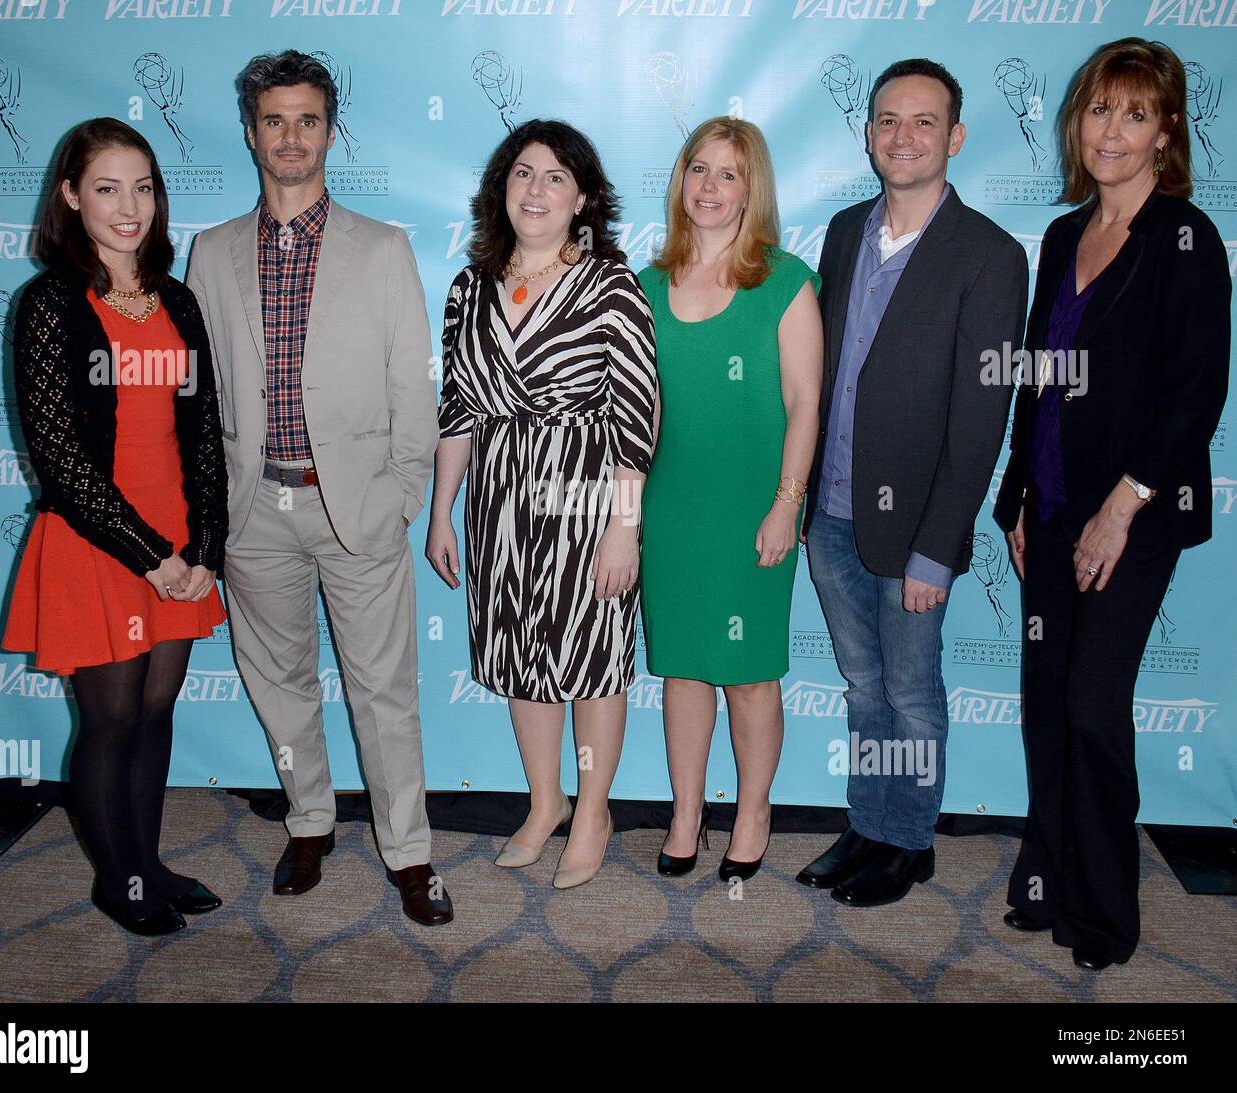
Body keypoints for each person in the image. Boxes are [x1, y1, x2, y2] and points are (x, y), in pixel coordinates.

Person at [186, 51, 451, 926]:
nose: (291, 136)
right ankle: (309, 823)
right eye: (274, 120)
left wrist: (403, 495)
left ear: (329, 131)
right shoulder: (211, 249)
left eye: (307, 120)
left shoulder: (382, 248)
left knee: (385, 691)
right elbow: (196, 395)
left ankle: (409, 850)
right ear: (251, 132)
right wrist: (209, 511)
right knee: (278, 682)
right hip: (252, 508)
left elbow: (415, 388)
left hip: (358, 507)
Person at [994, 38, 1230, 971]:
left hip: (1134, 513)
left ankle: (1105, 912)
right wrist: (1017, 492)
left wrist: (1121, 506)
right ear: (1076, 123)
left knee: (1094, 705)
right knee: (1047, 701)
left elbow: (1194, 393)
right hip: (1049, 506)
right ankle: (1046, 876)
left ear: (1167, 133)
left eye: (1136, 114)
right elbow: (1036, 379)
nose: (1113, 131)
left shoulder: (1186, 238)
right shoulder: (1062, 235)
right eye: (1100, 109)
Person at [796, 60, 1029, 906]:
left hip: (915, 531)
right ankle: (870, 821)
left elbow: (980, 422)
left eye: (924, 122)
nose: (903, 136)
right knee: (864, 689)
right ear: (868, 134)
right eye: (888, 120)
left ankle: (908, 839)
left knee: (912, 691)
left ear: (955, 138)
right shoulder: (844, 230)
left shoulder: (991, 256)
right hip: (831, 513)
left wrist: (940, 547)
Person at [1, 118, 228, 936]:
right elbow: (60, 459)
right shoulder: (48, 304)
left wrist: (201, 550)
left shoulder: (177, 299)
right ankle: (120, 881)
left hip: (177, 543)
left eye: (142, 186)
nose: (129, 206)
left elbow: (204, 433)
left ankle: (149, 860)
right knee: (112, 717)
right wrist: (152, 558)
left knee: (158, 710)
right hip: (98, 540)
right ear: (70, 196)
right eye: (106, 187)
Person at [426, 120, 658, 890]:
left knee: (590, 661)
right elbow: (457, 409)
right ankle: (546, 800)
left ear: (584, 197)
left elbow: (636, 415)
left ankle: (593, 807)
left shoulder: (612, 285)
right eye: (523, 173)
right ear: (503, 188)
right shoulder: (469, 285)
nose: (536, 189)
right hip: (498, 499)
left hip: (587, 497)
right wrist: (441, 513)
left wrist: (624, 528)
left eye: (556, 177)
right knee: (524, 658)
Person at [638, 117, 824, 882]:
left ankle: (753, 811)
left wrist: (787, 503)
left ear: (754, 190)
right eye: (698, 170)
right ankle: (687, 812)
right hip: (670, 508)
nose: (710, 187)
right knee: (682, 667)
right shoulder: (646, 284)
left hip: (755, 506)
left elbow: (805, 402)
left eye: (729, 174)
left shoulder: (783, 280)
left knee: (748, 671)